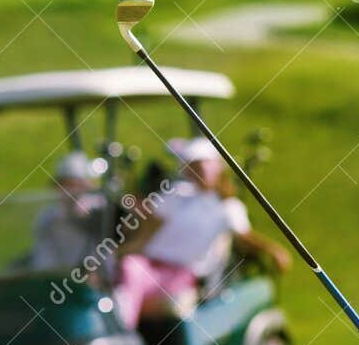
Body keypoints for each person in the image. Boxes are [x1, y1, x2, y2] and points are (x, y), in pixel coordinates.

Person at [114, 137, 290, 329]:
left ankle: (124, 333)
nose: (201, 170)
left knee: (130, 272)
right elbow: (150, 224)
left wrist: (274, 250)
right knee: (127, 266)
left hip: (182, 275)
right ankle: (121, 332)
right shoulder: (177, 194)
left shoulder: (228, 207)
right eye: (194, 165)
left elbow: (245, 238)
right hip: (150, 268)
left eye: (205, 163)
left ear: (218, 166)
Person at [28, 152, 105, 271]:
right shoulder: (48, 217)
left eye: (77, 185)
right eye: (66, 185)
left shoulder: (100, 213)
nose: (71, 191)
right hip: (60, 280)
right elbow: (44, 258)